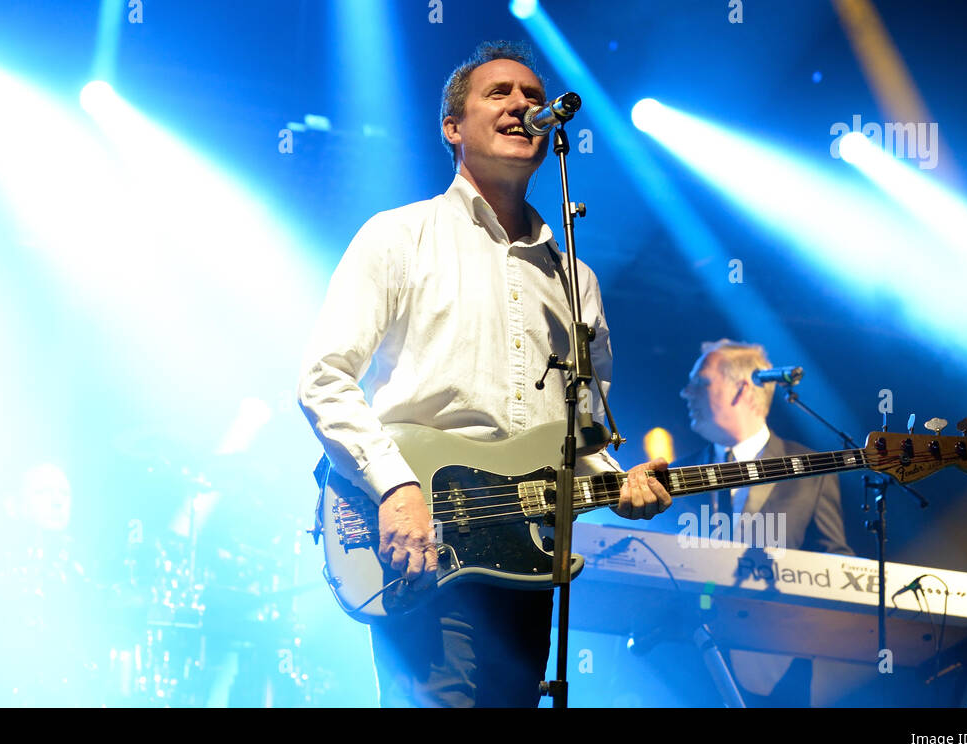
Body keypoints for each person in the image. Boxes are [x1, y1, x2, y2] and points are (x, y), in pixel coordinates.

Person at [297, 41, 670, 707]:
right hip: (422, 540)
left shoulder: (575, 277)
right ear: (453, 127)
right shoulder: (397, 236)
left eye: (532, 96)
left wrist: (620, 481)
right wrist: (396, 487)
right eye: (500, 93)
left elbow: (578, 433)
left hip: (528, 556)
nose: (523, 104)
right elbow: (324, 377)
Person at [674, 338, 853, 705]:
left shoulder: (810, 469)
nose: (685, 392)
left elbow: (835, 560)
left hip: (779, 673)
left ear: (742, 389)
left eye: (701, 383)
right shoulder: (678, 474)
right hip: (683, 670)